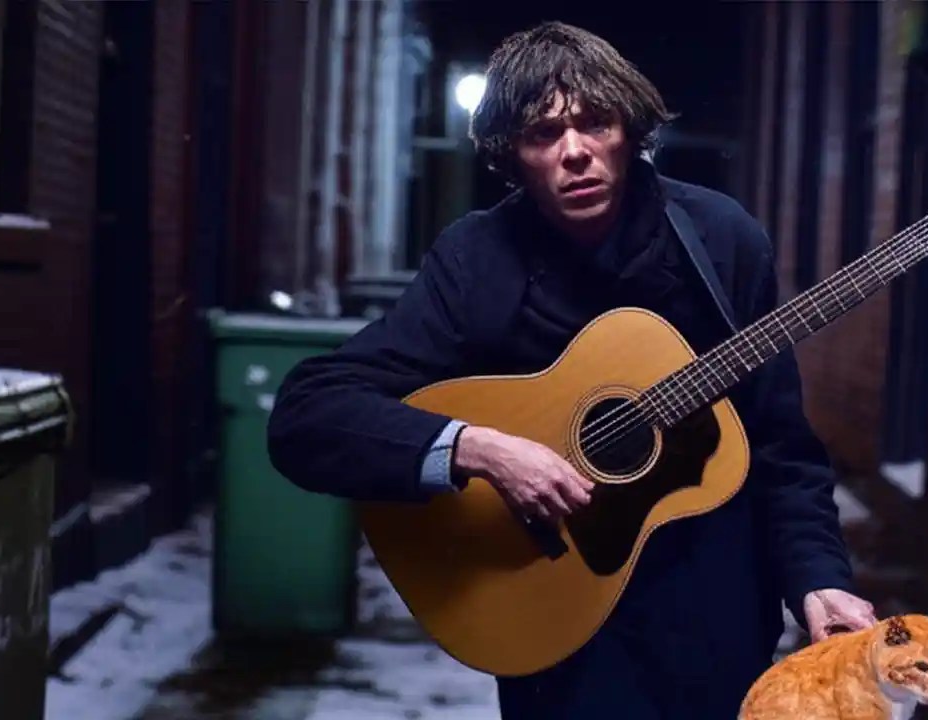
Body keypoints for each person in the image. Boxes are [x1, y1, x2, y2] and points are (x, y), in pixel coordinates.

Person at [267, 20, 876, 720]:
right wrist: (477, 448)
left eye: (595, 124)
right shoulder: (476, 260)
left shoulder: (719, 238)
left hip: (714, 610)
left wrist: (818, 579)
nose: (575, 152)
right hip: (556, 609)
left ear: (630, 130)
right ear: (511, 153)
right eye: (543, 134)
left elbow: (781, 446)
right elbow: (308, 414)